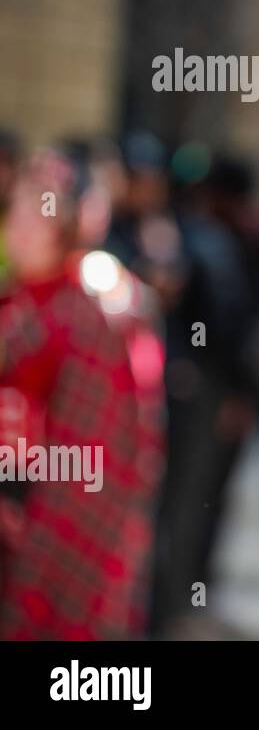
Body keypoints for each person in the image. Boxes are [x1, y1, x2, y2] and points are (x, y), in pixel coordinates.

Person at [0, 149, 162, 638]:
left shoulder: (101, 301)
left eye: (40, 213)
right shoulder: (16, 296)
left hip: (64, 506)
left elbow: (115, 429)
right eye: (17, 212)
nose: (21, 228)